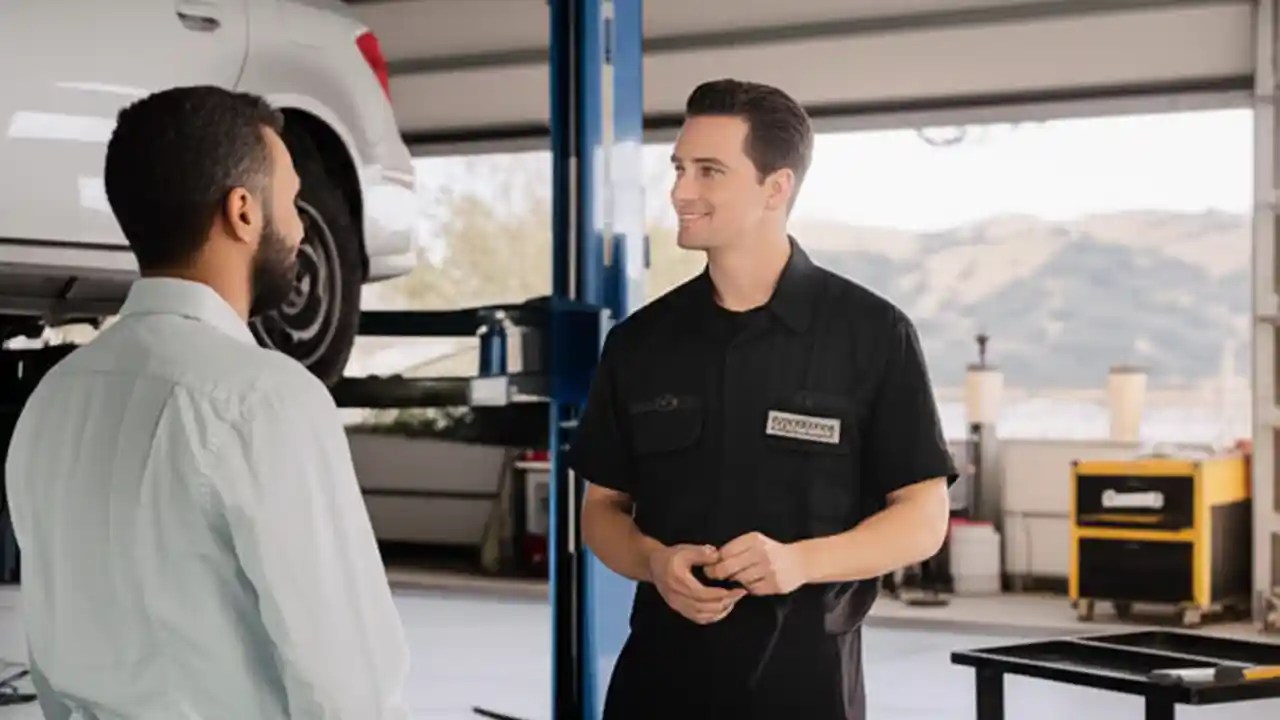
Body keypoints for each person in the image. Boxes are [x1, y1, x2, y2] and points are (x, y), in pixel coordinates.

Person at [3, 86, 410, 719]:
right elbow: (347, 682)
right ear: (242, 212)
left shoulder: (53, 400)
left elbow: (50, 648)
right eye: (292, 200)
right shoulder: (265, 401)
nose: (302, 225)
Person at [569, 78, 958, 720]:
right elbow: (602, 513)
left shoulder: (871, 334)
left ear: (775, 188)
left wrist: (800, 562)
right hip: (658, 683)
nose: (680, 191)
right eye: (679, 168)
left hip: (804, 685)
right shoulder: (640, 343)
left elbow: (923, 518)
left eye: (709, 172)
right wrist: (653, 560)